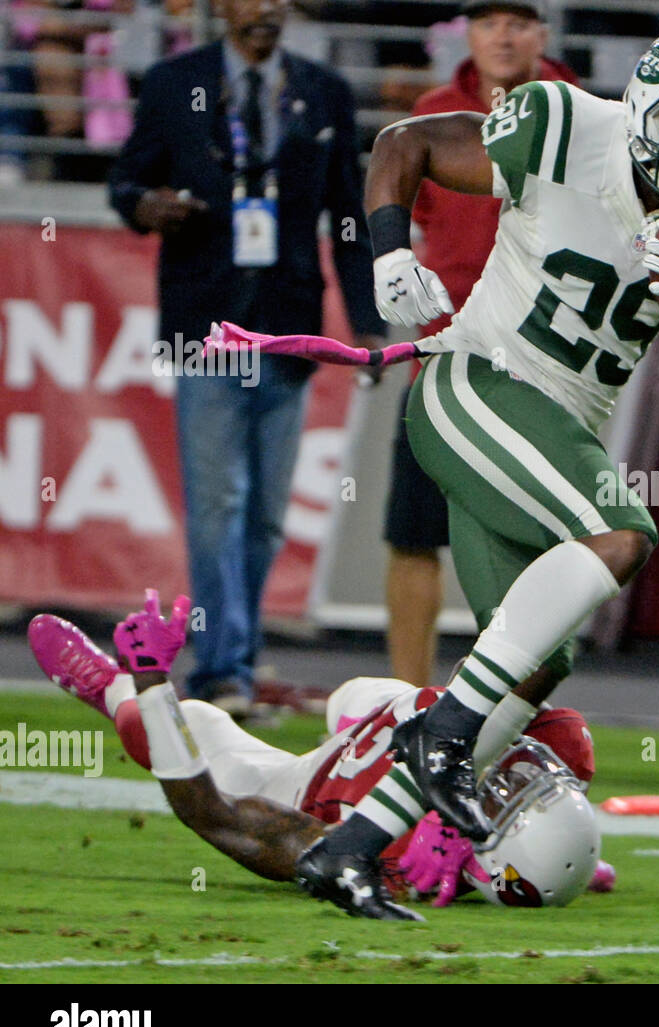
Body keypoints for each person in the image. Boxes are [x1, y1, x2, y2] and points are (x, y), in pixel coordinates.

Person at [206, 26, 659, 918]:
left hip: (560, 437)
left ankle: (351, 847)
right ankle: (439, 733)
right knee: (623, 529)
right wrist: (390, 254)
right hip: (477, 386)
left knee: (529, 669)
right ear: (644, 113)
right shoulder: (565, 125)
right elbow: (400, 146)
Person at [107, 0, 387, 716]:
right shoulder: (175, 82)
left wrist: (369, 325)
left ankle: (237, 651)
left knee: (264, 514)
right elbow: (125, 181)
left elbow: (348, 215)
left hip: (288, 324)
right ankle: (222, 668)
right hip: (206, 324)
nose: (262, 8)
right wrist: (147, 206)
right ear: (222, 8)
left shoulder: (323, 89)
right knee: (217, 504)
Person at [27, 603, 610, 918]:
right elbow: (483, 672)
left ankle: (109, 688)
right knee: (568, 738)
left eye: (509, 799)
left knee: (187, 723)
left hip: (311, 785)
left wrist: (151, 683)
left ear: (489, 860)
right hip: (383, 714)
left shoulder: (385, 862)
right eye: (524, 782)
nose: (512, 775)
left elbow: (216, 816)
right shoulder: (539, 757)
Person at [385, 0, 580, 687]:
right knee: (413, 537)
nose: (504, 33)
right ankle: (405, 697)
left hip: (538, 370)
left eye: (519, 20)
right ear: (467, 32)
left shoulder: (579, 111)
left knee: (528, 547)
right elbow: (407, 217)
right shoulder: (433, 109)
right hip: (444, 361)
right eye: (490, 19)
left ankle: (507, 698)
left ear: (544, 34)